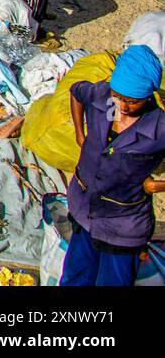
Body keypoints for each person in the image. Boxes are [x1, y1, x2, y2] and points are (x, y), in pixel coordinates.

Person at [61, 45, 165, 286]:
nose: (124, 107)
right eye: (119, 97)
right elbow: (76, 92)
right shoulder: (102, 96)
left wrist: (156, 186)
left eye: (133, 101)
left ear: (149, 95)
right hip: (85, 209)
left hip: (123, 223)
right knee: (76, 276)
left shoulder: (158, 127)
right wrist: (80, 133)